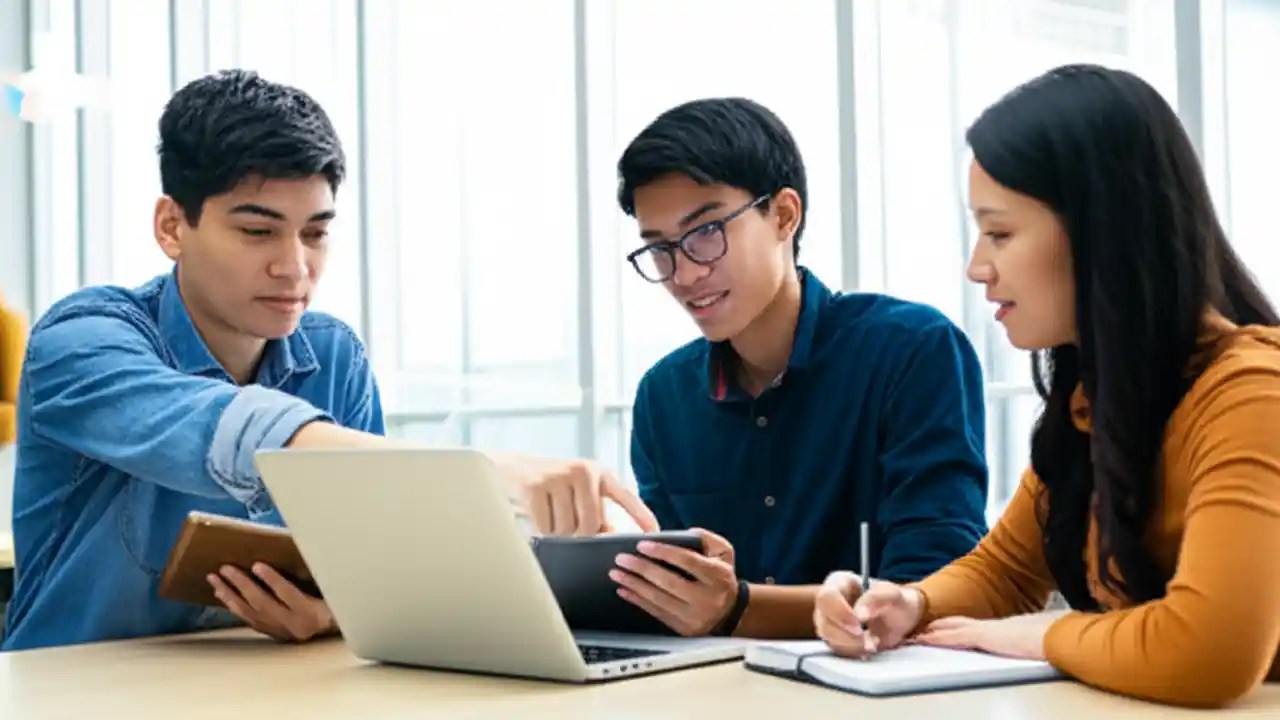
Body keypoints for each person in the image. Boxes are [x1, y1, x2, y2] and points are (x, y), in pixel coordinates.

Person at [2, 69, 655, 652]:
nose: (294, 267)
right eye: (257, 231)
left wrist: (336, 611)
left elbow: (380, 563)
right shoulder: (81, 340)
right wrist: (482, 471)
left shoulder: (333, 356)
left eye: (315, 233)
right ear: (173, 226)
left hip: (274, 693)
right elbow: (225, 429)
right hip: (69, 690)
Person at [813, 64, 1280, 708]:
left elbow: (1211, 653)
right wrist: (910, 602)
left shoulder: (1252, 391)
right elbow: (1005, 570)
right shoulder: (1097, 397)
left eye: (999, 233)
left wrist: (1045, 634)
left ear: (1102, 233)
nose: (978, 267)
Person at [608, 97, 989, 639]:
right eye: (661, 249)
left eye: (706, 233)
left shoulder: (911, 351)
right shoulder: (662, 398)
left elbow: (935, 587)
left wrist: (739, 606)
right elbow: (683, 601)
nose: (684, 274)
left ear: (784, 215)